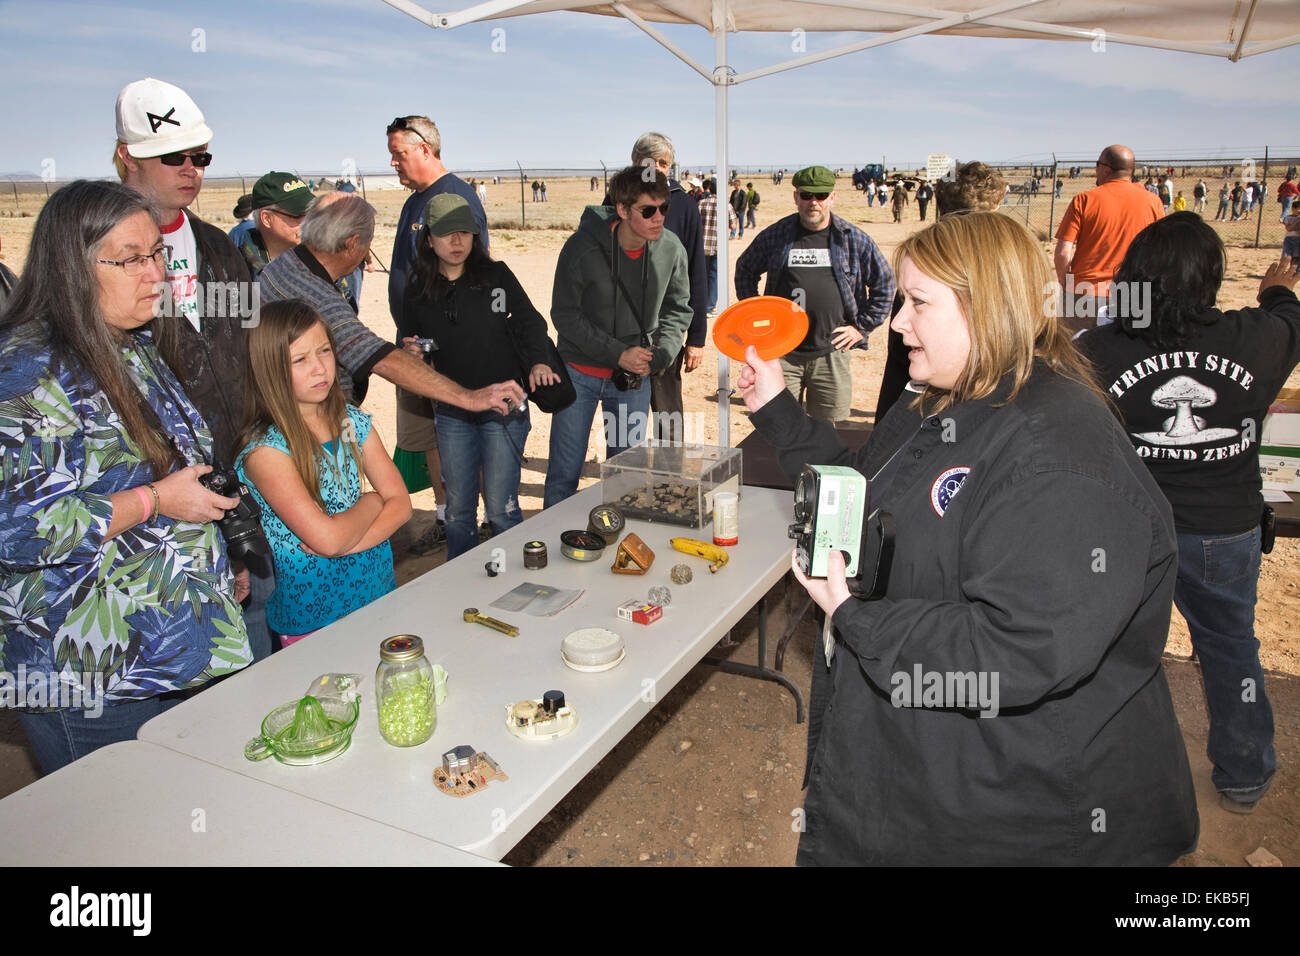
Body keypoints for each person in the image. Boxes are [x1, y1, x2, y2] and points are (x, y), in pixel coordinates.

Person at [735, 211, 1198, 865]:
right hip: (929, 774)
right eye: (900, 301)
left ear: (988, 308)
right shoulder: (941, 398)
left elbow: (1022, 649)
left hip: (1015, 814)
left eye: (918, 303)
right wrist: (777, 409)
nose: (896, 323)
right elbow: (866, 490)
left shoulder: (1057, 455)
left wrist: (857, 617)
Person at [0, 180, 253, 773]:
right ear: (72, 267)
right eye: (131, 259)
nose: (155, 274)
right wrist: (156, 500)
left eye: (157, 254)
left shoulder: (129, 342)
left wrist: (210, 568)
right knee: (108, 832)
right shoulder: (27, 372)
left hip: (163, 649)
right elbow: (17, 527)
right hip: (90, 674)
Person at [1078, 216, 1300, 814]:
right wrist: (1278, 288)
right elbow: (1292, 320)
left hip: (1129, 530)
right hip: (1224, 529)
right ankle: (1244, 771)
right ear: (1212, 278)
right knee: (1230, 646)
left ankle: (1104, 775)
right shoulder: (1255, 337)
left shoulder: (1099, 351)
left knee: (1113, 648)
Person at [112, 76, 272, 662]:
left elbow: (252, 345)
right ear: (127, 158)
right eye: (172, 156)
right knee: (178, 664)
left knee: (256, 637)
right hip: (158, 501)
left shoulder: (220, 248)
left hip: (245, 473)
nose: (191, 169)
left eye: (200, 157)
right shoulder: (97, 254)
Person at [236, 300, 410, 646]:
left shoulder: (352, 421)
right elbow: (326, 540)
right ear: (269, 369)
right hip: (313, 618)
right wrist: (373, 501)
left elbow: (402, 505)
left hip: (378, 594)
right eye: (300, 360)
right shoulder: (266, 450)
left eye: (325, 352)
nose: (319, 368)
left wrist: (344, 543)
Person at [398, 195, 557, 559]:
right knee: (457, 512)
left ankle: (517, 578)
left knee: (502, 508)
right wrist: (413, 352)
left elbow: (530, 322)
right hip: (452, 413)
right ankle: (462, 583)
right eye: (447, 234)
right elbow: (413, 342)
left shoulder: (495, 277)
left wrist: (537, 362)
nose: (457, 242)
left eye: (465, 233)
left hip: (503, 408)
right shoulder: (418, 288)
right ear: (428, 239)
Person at [543, 166, 692, 508]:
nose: (659, 219)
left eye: (664, 209)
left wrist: (660, 355)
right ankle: (551, 546)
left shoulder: (671, 249)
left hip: (633, 381)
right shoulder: (581, 248)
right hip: (579, 374)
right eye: (648, 210)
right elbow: (565, 315)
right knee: (564, 474)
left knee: (626, 474)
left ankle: (619, 549)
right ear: (623, 210)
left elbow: (678, 308)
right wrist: (617, 353)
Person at [386, 115, 491, 554]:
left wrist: (439, 343)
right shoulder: (418, 199)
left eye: (399, 153)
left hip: (440, 349)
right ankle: (449, 520)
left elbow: (472, 278)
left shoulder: (453, 197)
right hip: (415, 346)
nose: (393, 163)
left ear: (425, 149)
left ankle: (478, 522)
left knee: (457, 436)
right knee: (431, 440)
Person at [735, 165, 895, 423]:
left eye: (820, 196)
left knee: (829, 429)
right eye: (806, 195)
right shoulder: (777, 235)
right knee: (780, 425)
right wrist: (757, 314)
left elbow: (885, 285)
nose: (813, 202)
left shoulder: (852, 238)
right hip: (782, 353)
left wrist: (860, 327)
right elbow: (745, 269)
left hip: (831, 352)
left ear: (832, 197)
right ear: (796, 196)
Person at [875, 160, 1005, 422]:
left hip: (912, 402)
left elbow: (900, 347)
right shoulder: (1004, 267)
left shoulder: (921, 258)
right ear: (996, 207)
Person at [624, 133, 707, 443]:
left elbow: (697, 272)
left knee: (668, 411)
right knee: (624, 415)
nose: (657, 169)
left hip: (666, 329)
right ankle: (626, 470)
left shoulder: (683, 205)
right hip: (623, 328)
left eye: (664, 163)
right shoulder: (616, 202)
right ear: (635, 162)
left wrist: (696, 337)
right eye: (650, 162)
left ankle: (670, 475)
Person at [1053, 143, 1162, 334]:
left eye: (1097, 164)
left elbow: (1063, 252)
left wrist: (1064, 282)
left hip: (1085, 292)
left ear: (1105, 169)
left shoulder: (1084, 200)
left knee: (1077, 355)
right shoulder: (1153, 202)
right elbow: (1161, 252)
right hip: (1134, 294)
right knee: (1126, 357)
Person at [235, 171, 314, 279]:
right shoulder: (233, 273)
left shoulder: (323, 257)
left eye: (311, 213)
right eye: (298, 215)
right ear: (267, 219)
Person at [698, 177, 737, 314]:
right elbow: (733, 225)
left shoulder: (701, 203)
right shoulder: (726, 205)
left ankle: (700, 304)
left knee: (701, 276)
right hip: (718, 246)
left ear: (709, 188)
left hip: (702, 245)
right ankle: (709, 307)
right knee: (714, 276)